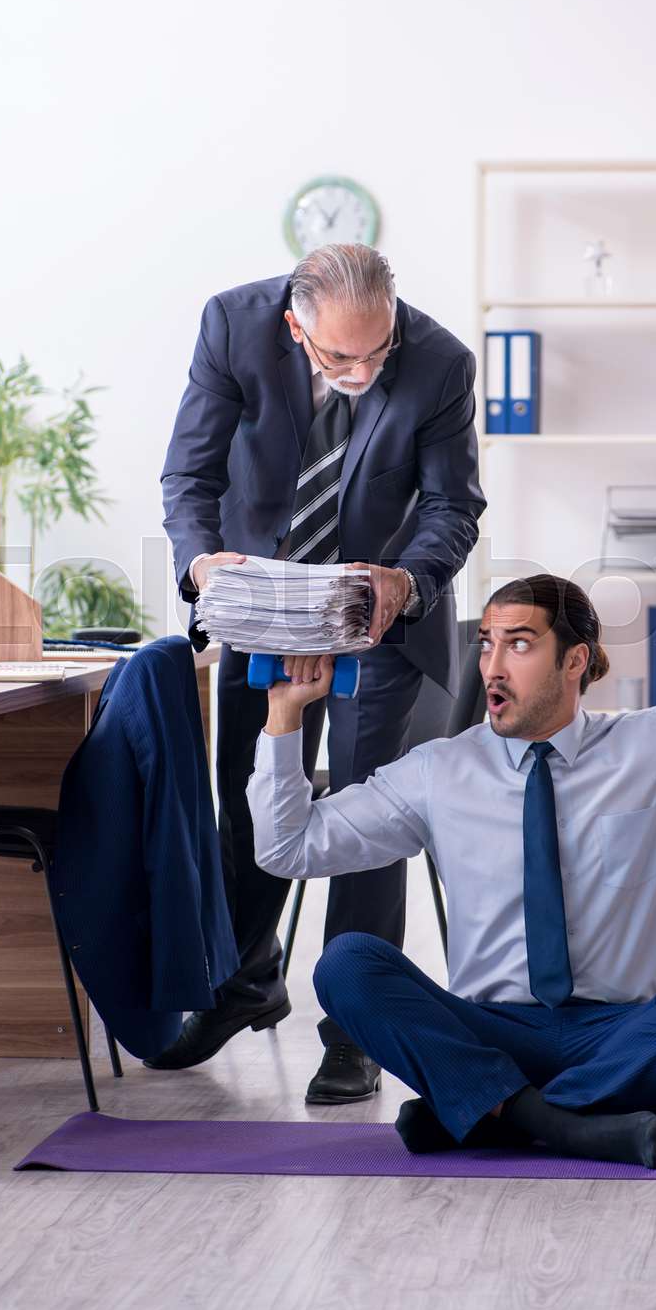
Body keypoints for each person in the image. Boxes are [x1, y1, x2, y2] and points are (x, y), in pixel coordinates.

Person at [246, 572, 656, 1168]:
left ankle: (486, 1111)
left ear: (575, 662)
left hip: (625, 1036)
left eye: (519, 644)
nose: (491, 667)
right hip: (491, 1032)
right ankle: (568, 1124)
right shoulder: (439, 771)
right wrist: (285, 716)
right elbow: (289, 848)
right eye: (487, 644)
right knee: (349, 963)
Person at [152, 243, 485, 1102]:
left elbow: (454, 504)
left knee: (368, 817)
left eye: (378, 353)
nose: (364, 372)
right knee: (252, 798)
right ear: (296, 326)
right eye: (341, 357)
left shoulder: (441, 361)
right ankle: (249, 978)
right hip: (260, 603)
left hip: (378, 617)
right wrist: (200, 568)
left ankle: (356, 1027)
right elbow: (190, 474)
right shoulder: (233, 327)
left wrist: (406, 579)